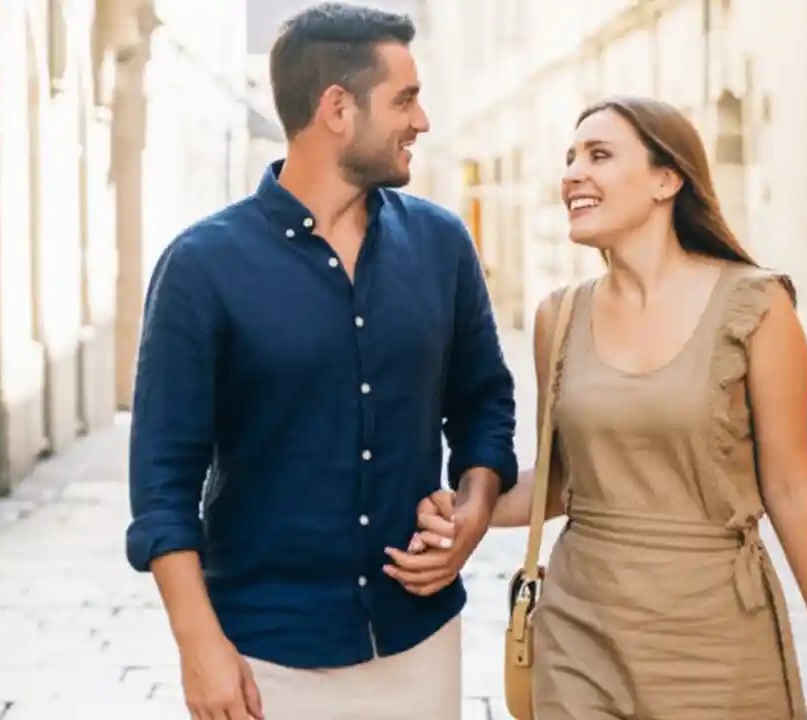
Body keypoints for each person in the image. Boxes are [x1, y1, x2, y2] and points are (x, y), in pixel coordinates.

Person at [399, 96, 807, 719]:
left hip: (717, 637)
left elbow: (789, 484)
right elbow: (564, 483)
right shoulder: (559, 317)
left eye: (598, 155)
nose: (572, 174)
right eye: (569, 159)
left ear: (666, 180)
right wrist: (466, 508)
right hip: (580, 632)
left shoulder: (755, 307)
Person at [124, 3, 517, 719]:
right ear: (338, 108)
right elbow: (162, 483)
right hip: (264, 654)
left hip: (420, 642)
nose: (421, 121)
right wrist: (199, 645)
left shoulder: (441, 245)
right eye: (404, 99)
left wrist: (474, 510)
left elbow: (485, 402)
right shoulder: (202, 267)